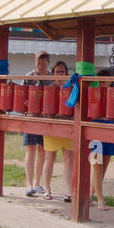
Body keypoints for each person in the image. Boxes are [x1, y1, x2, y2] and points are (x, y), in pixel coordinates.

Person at [39, 61, 74, 200]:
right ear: (53, 74)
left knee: (69, 158)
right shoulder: (49, 89)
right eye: (57, 72)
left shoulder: (72, 89)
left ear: (67, 74)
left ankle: (69, 191)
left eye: (62, 72)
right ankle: (47, 188)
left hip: (68, 127)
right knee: (49, 157)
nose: (60, 74)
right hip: (52, 127)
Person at [88, 69, 114, 210]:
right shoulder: (93, 93)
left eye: (106, 79)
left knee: (104, 166)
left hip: (109, 129)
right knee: (96, 164)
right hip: (96, 129)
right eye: (101, 80)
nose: (103, 82)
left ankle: (90, 194)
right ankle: (100, 199)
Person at [23, 51, 51, 197]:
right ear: (35, 62)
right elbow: (22, 96)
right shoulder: (29, 77)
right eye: (39, 63)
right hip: (32, 118)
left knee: (42, 150)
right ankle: (28, 184)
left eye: (43, 63)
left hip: (46, 119)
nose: (41, 66)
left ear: (48, 63)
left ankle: (37, 182)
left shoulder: (52, 78)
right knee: (30, 149)